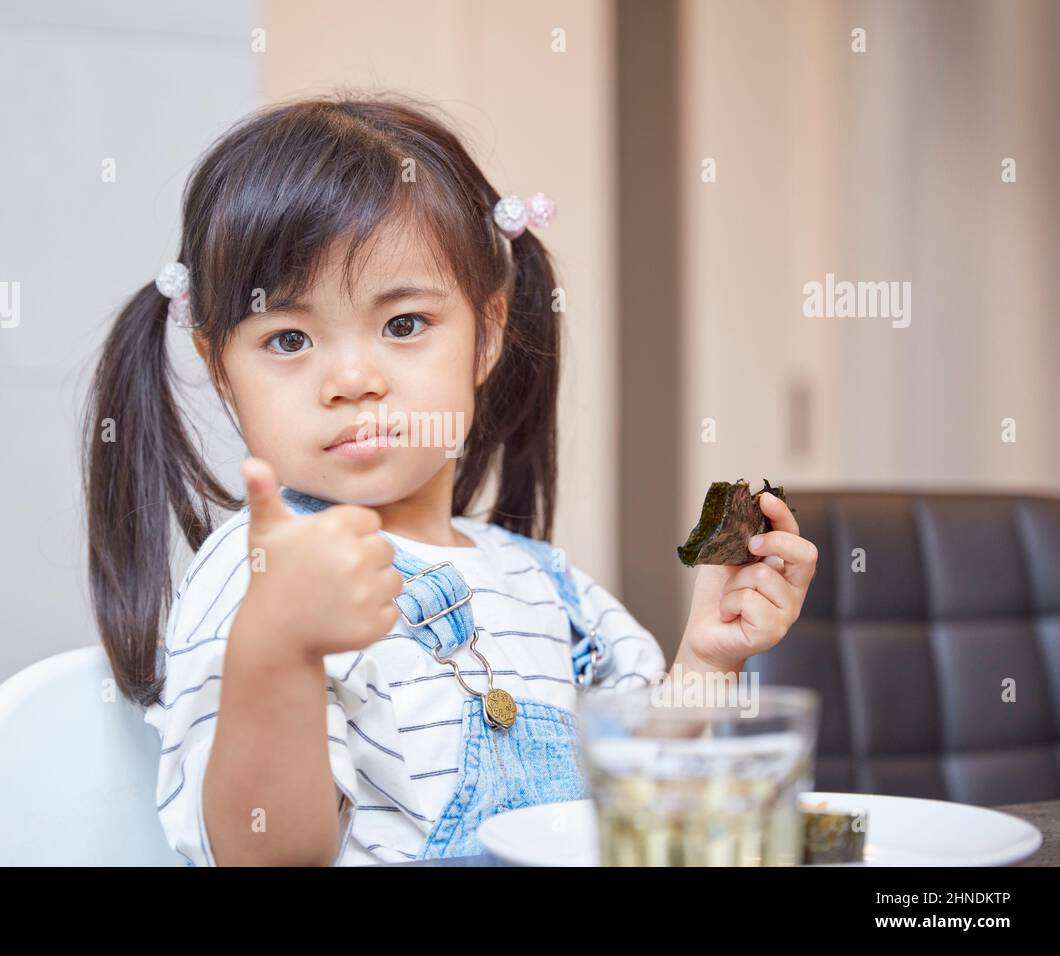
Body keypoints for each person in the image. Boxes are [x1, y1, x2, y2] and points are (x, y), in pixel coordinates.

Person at [81, 92, 818, 866]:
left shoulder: (542, 583)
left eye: (404, 325)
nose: (353, 378)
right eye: (289, 338)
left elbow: (639, 794)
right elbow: (264, 856)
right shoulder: (260, 574)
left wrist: (707, 659)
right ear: (219, 369)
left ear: (488, 334)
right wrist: (278, 649)